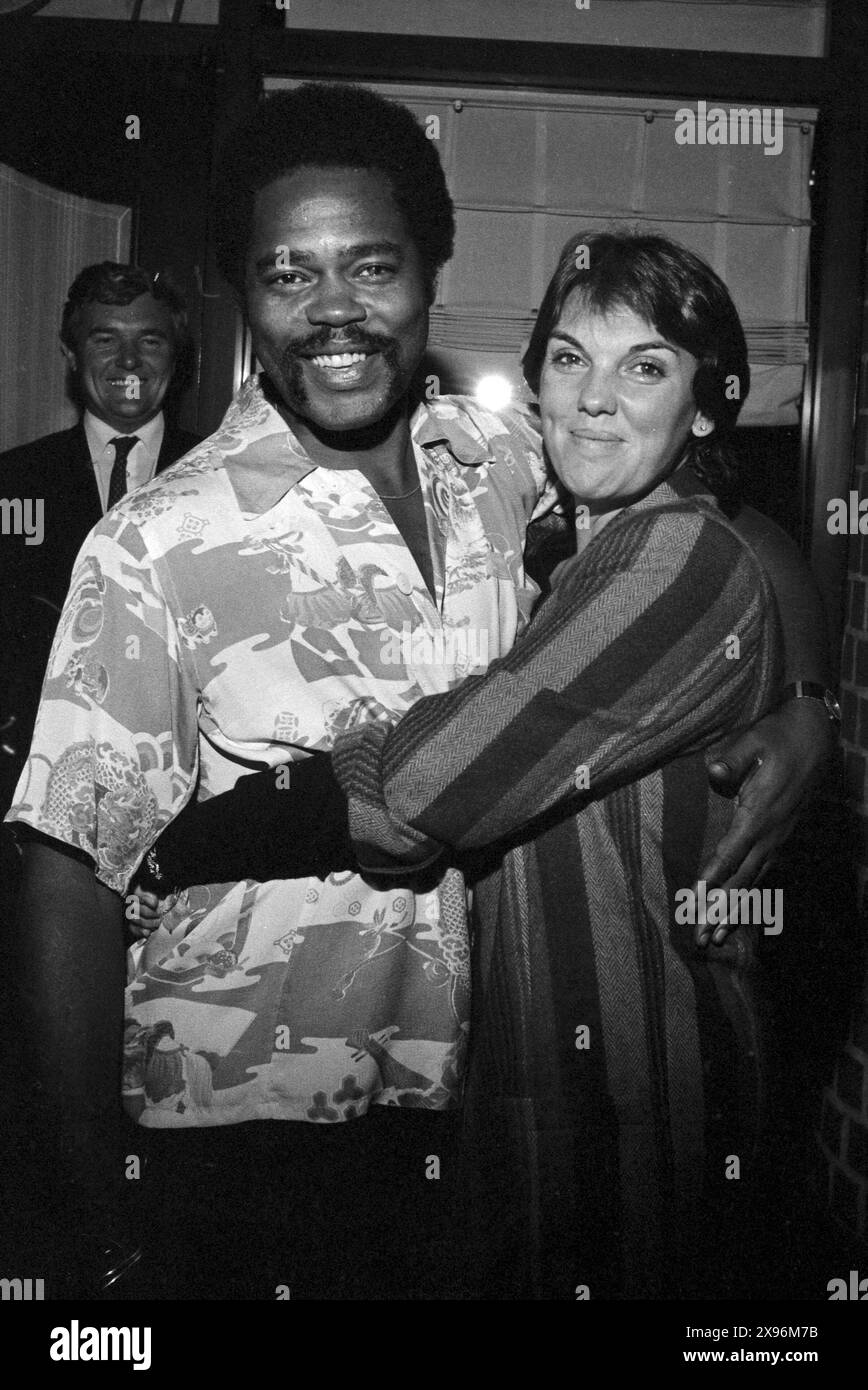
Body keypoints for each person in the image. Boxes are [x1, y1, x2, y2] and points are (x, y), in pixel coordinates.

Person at [6, 86, 833, 1300]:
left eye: (371, 266)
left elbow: (722, 523)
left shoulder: (501, 464)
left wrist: (809, 703)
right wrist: (95, 1229)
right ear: (244, 293)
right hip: (251, 1132)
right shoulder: (156, 542)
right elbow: (65, 879)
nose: (332, 310)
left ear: (431, 275)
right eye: (289, 275)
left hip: (492, 1114)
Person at [0, 263, 200, 812]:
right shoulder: (13, 486)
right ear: (71, 356)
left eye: (150, 341)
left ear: (175, 360)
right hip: (28, 786)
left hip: (185, 790)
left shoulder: (220, 481)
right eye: (105, 339)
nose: (129, 362)